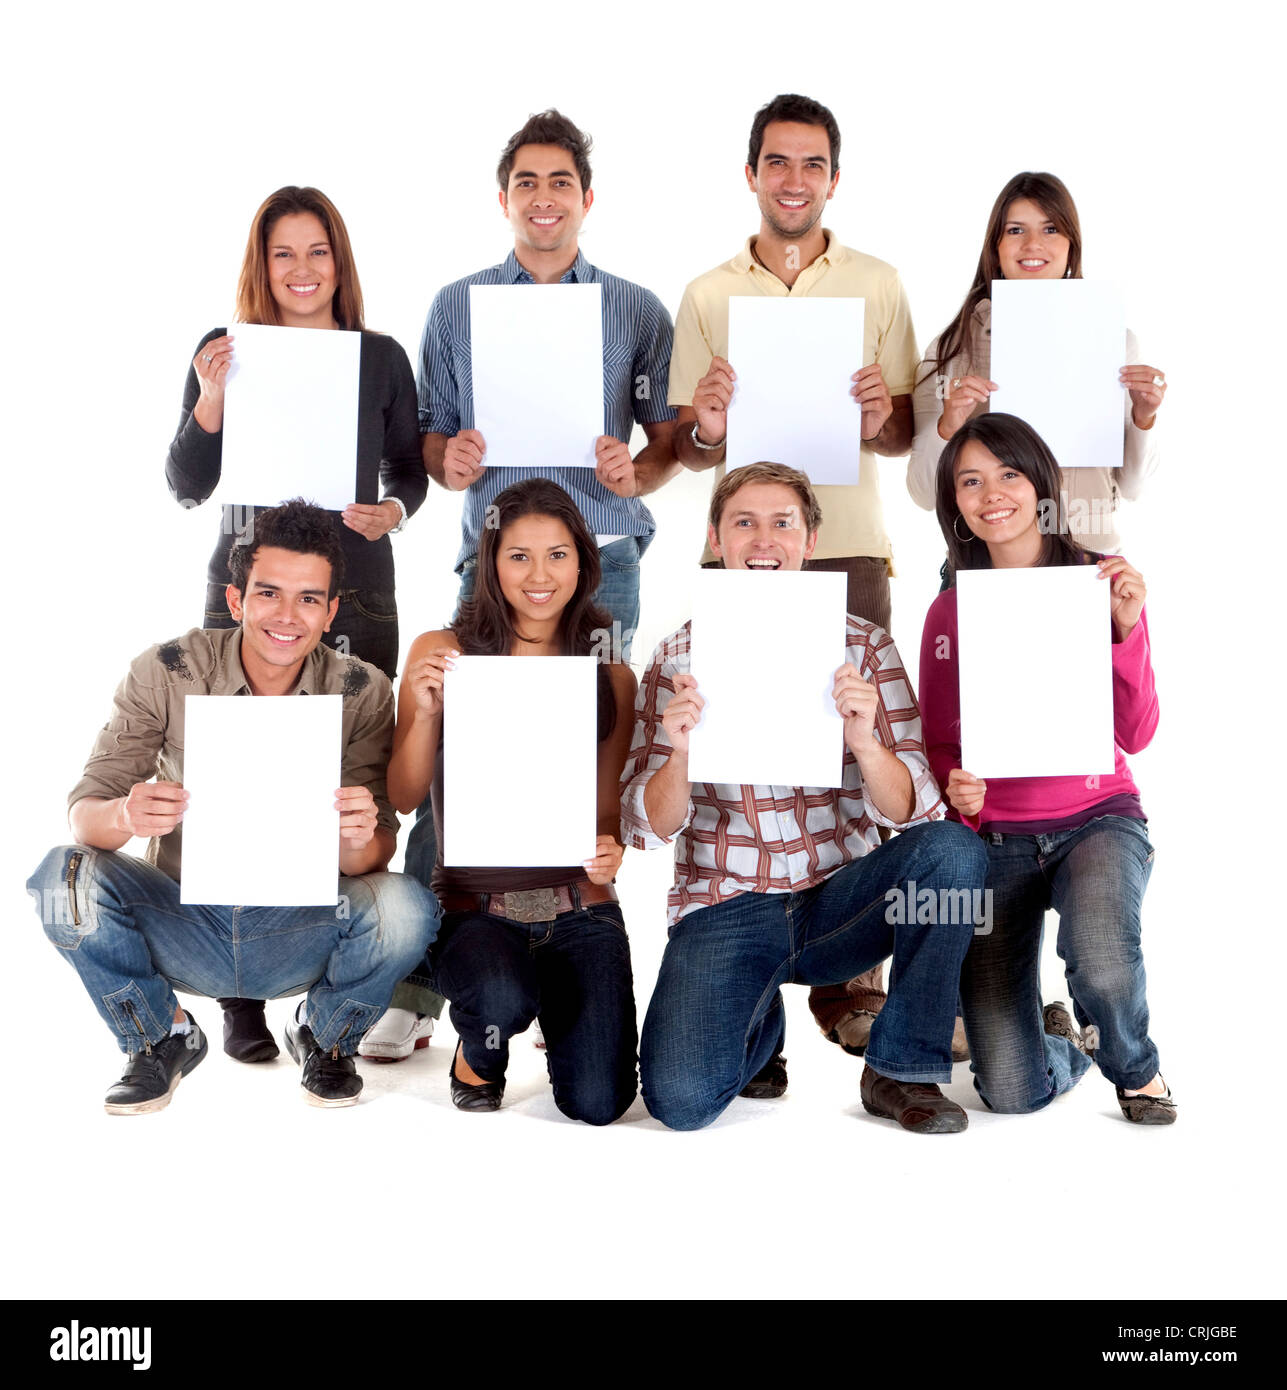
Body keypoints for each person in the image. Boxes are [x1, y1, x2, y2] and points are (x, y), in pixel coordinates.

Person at [26, 500, 440, 1114]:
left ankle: (324, 1039)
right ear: (236, 600)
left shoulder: (361, 688)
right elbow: (85, 809)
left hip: (301, 925)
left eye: (308, 599)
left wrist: (356, 835)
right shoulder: (168, 669)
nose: (286, 615)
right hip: (184, 917)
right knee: (62, 874)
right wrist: (126, 816)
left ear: (329, 613)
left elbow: (374, 852)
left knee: (407, 905)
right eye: (268, 593)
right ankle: (158, 1037)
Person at [666, 93, 921, 1061]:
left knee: (854, 753)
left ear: (833, 179)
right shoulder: (706, 293)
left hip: (849, 545)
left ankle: (852, 985)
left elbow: (904, 433)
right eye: (777, 162)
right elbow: (690, 450)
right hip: (737, 552)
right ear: (752, 175)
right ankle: (749, 965)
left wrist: (877, 417)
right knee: (739, 752)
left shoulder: (880, 283)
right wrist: (708, 425)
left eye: (812, 164)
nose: (794, 180)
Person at [623, 463, 987, 1134]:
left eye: (781, 523)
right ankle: (757, 1022)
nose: (763, 540)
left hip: (838, 902)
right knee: (679, 1102)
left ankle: (900, 1068)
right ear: (716, 539)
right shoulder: (676, 658)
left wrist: (865, 741)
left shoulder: (865, 646)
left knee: (953, 856)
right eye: (744, 523)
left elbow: (917, 813)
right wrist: (678, 752)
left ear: (809, 541)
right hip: (726, 906)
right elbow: (648, 832)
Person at [165, 185, 432, 1065]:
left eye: (318, 251)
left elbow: (410, 469)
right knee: (243, 781)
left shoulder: (381, 357)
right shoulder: (226, 352)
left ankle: (331, 991)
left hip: (356, 590)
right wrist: (210, 397)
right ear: (261, 264)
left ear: (339, 262)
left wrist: (393, 509)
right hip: (250, 584)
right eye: (283, 253)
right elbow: (185, 481)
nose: (302, 270)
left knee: (341, 785)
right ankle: (240, 994)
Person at [917, 413, 1174, 1124]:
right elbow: (939, 743)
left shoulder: (1099, 582)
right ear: (955, 504)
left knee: (1101, 961)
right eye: (969, 480)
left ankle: (1137, 1069)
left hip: (1097, 820)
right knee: (1007, 1089)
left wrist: (1124, 630)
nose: (990, 493)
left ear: (1040, 484)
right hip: (996, 839)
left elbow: (1138, 732)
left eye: (1008, 473)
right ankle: (1065, 1044)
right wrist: (956, 789)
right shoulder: (948, 611)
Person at [387, 478, 638, 1122]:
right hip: (479, 910)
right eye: (518, 555)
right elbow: (402, 794)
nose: (539, 575)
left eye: (557, 554)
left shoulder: (609, 669)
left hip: (580, 909)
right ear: (490, 563)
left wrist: (611, 853)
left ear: (583, 561)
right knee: (499, 999)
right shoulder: (443, 652)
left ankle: (558, 1008)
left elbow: (607, 812)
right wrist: (422, 713)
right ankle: (481, 1052)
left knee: (599, 1102)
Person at [416, 108, 680, 658]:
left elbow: (669, 441)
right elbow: (432, 435)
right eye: (526, 183)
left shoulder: (637, 309)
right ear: (503, 200)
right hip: (495, 551)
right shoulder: (453, 306)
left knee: (601, 717)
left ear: (586, 199)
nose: (543, 197)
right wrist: (448, 462)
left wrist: (636, 475)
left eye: (561, 182)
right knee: (486, 720)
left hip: (602, 549)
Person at [907, 170, 1167, 551]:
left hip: (1089, 559)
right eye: (1015, 230)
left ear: (1070, 246)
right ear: (995, 247)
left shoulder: (1114, 342)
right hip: (987, 566)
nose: (1032, 245)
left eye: (1050, 230)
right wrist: (949, 425)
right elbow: (923, 493)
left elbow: (1133, 487)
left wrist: (1144, 418)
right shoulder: (951, 349)